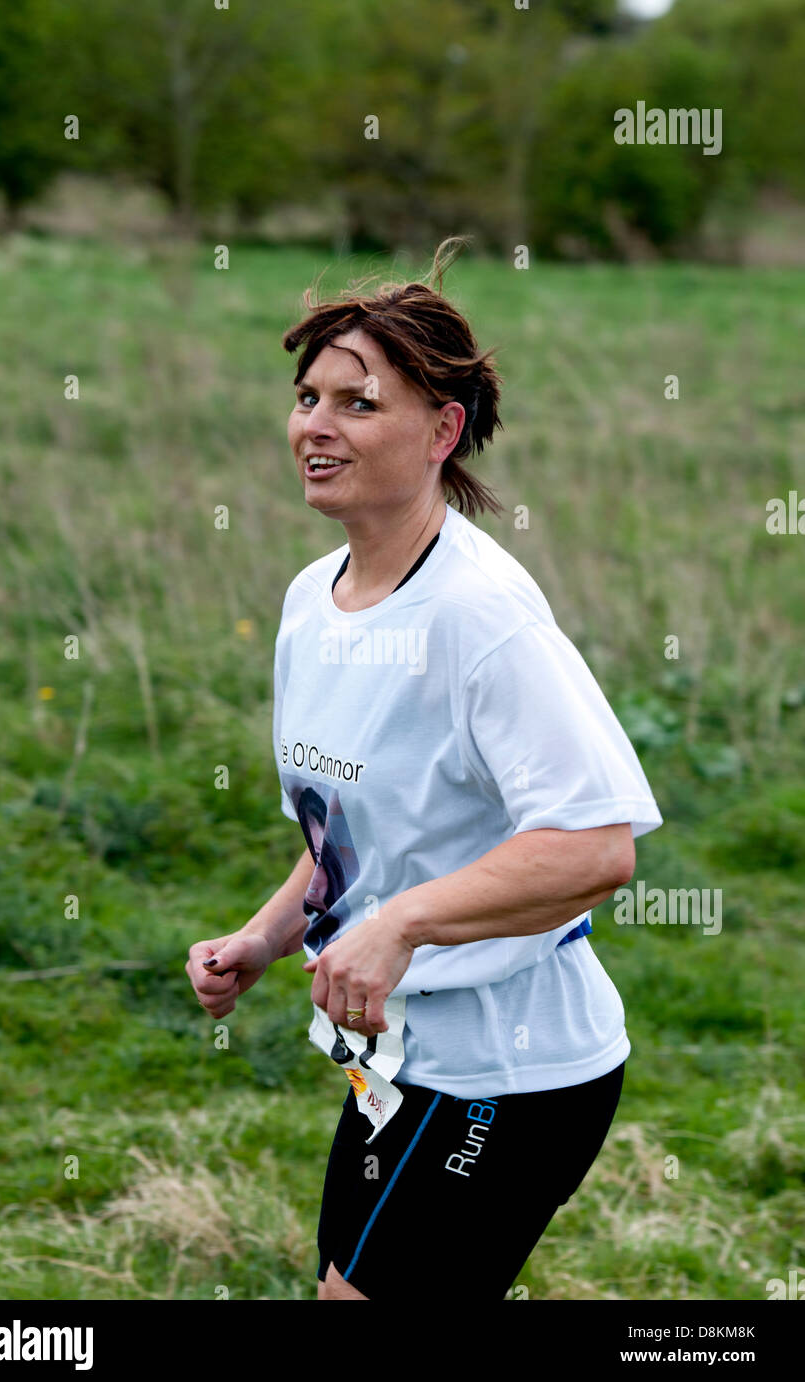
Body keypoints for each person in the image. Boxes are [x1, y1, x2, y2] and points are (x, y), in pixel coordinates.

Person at [186, 238, 663, 1301]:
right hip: (392, 1063)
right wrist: (264, 940)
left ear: (441, 430)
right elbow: (349, 833)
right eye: (306, 397)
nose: (314, 425)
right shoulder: (313, 598)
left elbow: (594, 846)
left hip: (510, 1069)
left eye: (357, 403)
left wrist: (398, 927)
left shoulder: (482, 620)